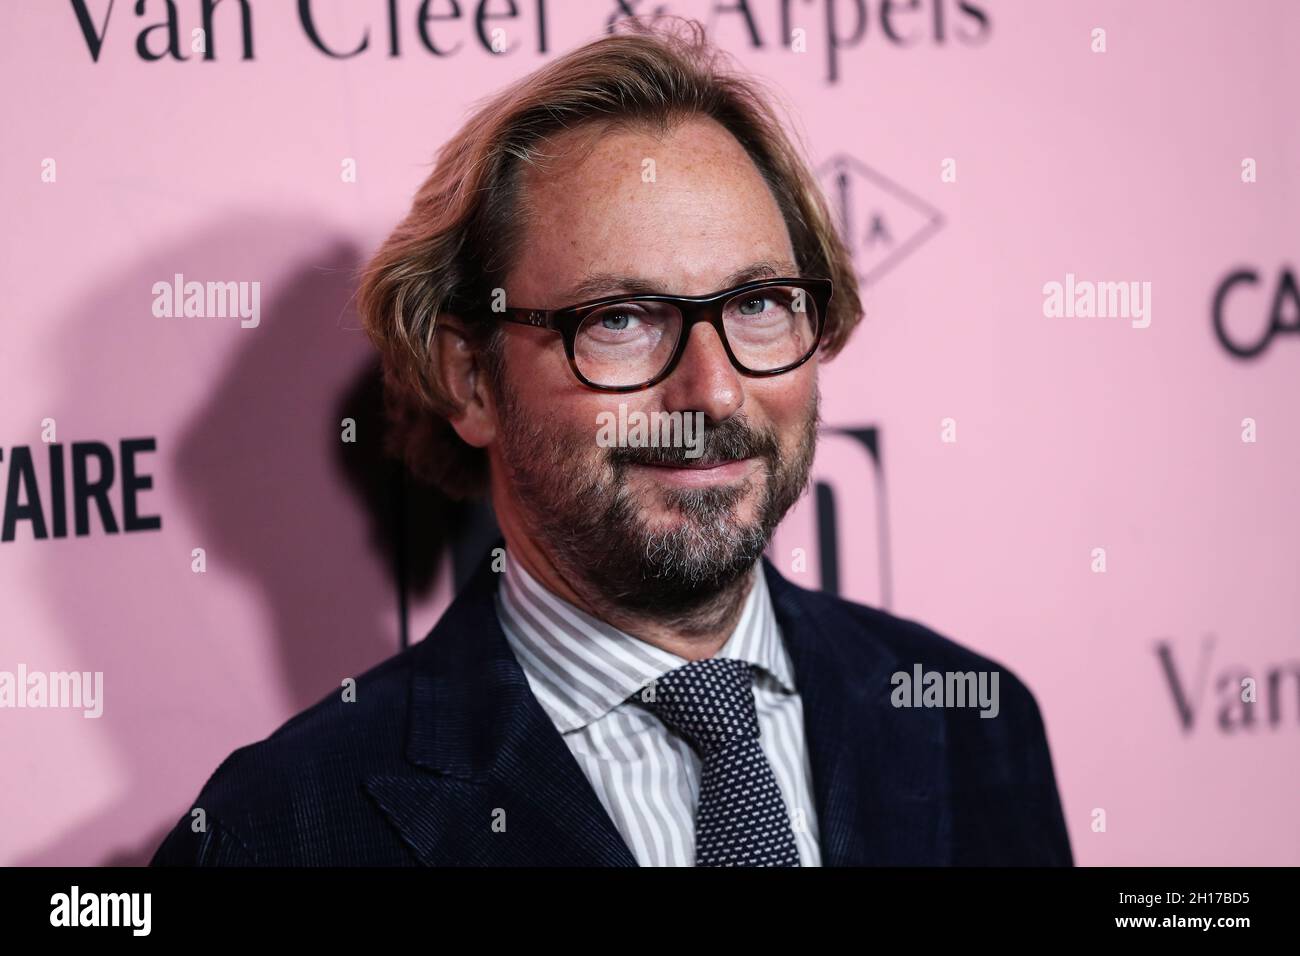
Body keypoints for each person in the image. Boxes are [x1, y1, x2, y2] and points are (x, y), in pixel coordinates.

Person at [152, 19, 1071, 867]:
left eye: (756, 305)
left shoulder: (968, 721)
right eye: (622, 319)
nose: (710, 391)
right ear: (471, 378)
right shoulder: (281, 835)